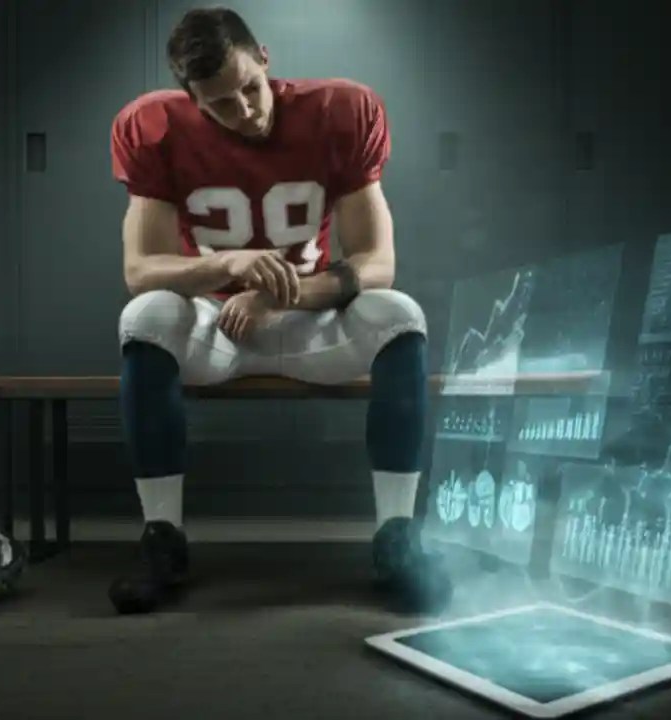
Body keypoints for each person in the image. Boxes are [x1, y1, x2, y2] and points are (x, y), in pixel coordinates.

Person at [108, 6, 451, 615]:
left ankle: (397, 537)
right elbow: (142, 272)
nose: (245, 111)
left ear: (264, 57)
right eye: (220, 104)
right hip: (217, 327)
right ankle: (162, 538)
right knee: (145, 318)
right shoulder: (155, 126)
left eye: (249, 88)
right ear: (190, 99)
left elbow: (375, 263)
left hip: (308, 318)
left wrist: (276, 291)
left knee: (400, 313)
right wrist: (231, 267)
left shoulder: (339, 112)